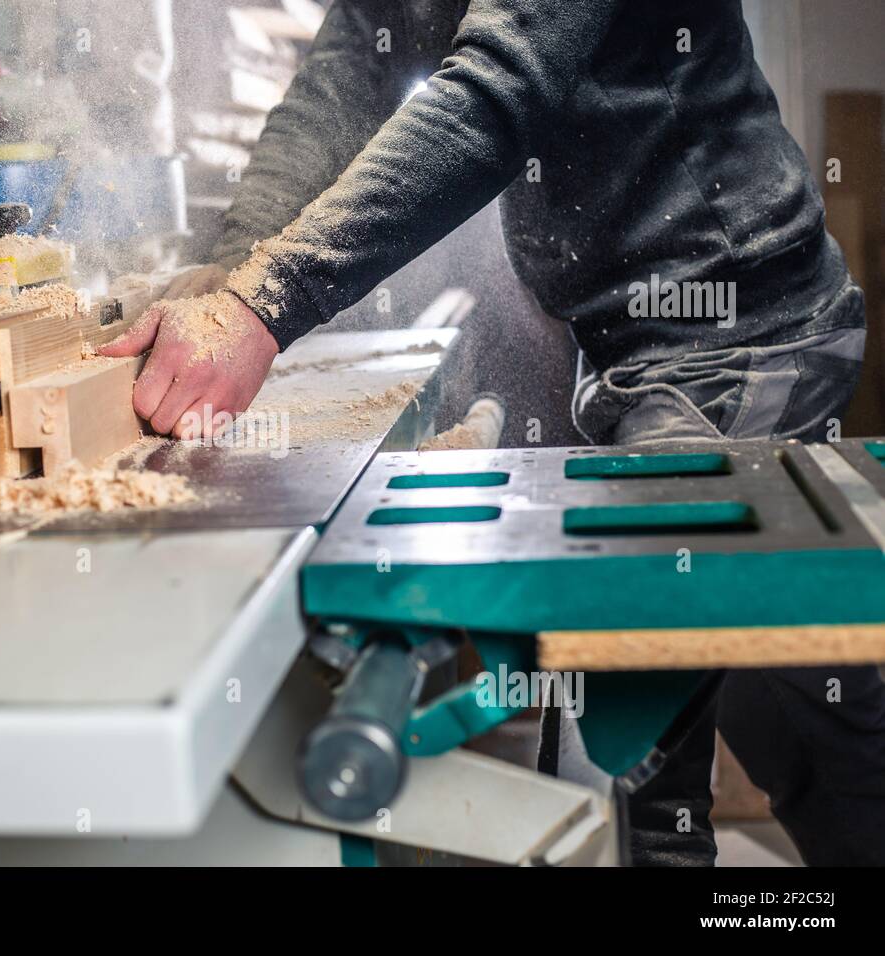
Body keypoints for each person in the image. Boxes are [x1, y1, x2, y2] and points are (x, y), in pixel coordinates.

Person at [99, 0, 885, 865]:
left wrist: (262, 304)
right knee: (787, 700)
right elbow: (347, 73)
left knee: (620, 745)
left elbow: (494, 95)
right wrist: (240, 266)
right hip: (641, 343)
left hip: (737, 332)